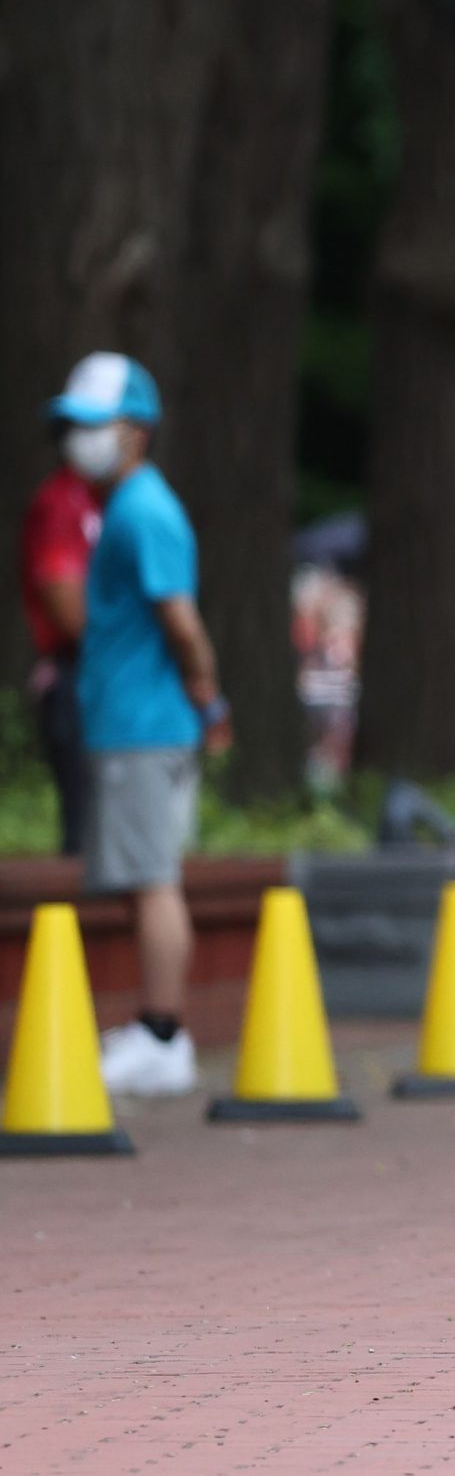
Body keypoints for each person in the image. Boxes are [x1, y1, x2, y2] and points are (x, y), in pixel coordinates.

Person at [52, 354, 231, 1097]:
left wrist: (204, 691)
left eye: (95, 425)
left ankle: (163, 1036)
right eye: (73, 426)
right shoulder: (125, 507)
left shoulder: (143, 511)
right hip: (127, 721)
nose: (79, 440)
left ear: (137, 431)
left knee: (154, 881)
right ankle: (157, 1029)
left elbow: (180, 620)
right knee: (140, 880)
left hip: (143, 723)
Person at [19, 425, 100, 855]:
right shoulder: (61, 502)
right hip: (80, 671)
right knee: (87, 826)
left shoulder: (110, 499)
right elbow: (62, 594)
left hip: (101, 671)